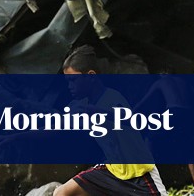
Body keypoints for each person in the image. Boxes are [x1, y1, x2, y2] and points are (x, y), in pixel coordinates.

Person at [54, 46, 167, 196]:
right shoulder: (80, 104)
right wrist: (16, 137)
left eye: (73, 80)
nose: (70, 86)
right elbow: (54, 128)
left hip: (139, 174)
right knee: (62, 192)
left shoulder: (112, 98)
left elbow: (131, 119)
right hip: (112, 171)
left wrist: (92, 111)